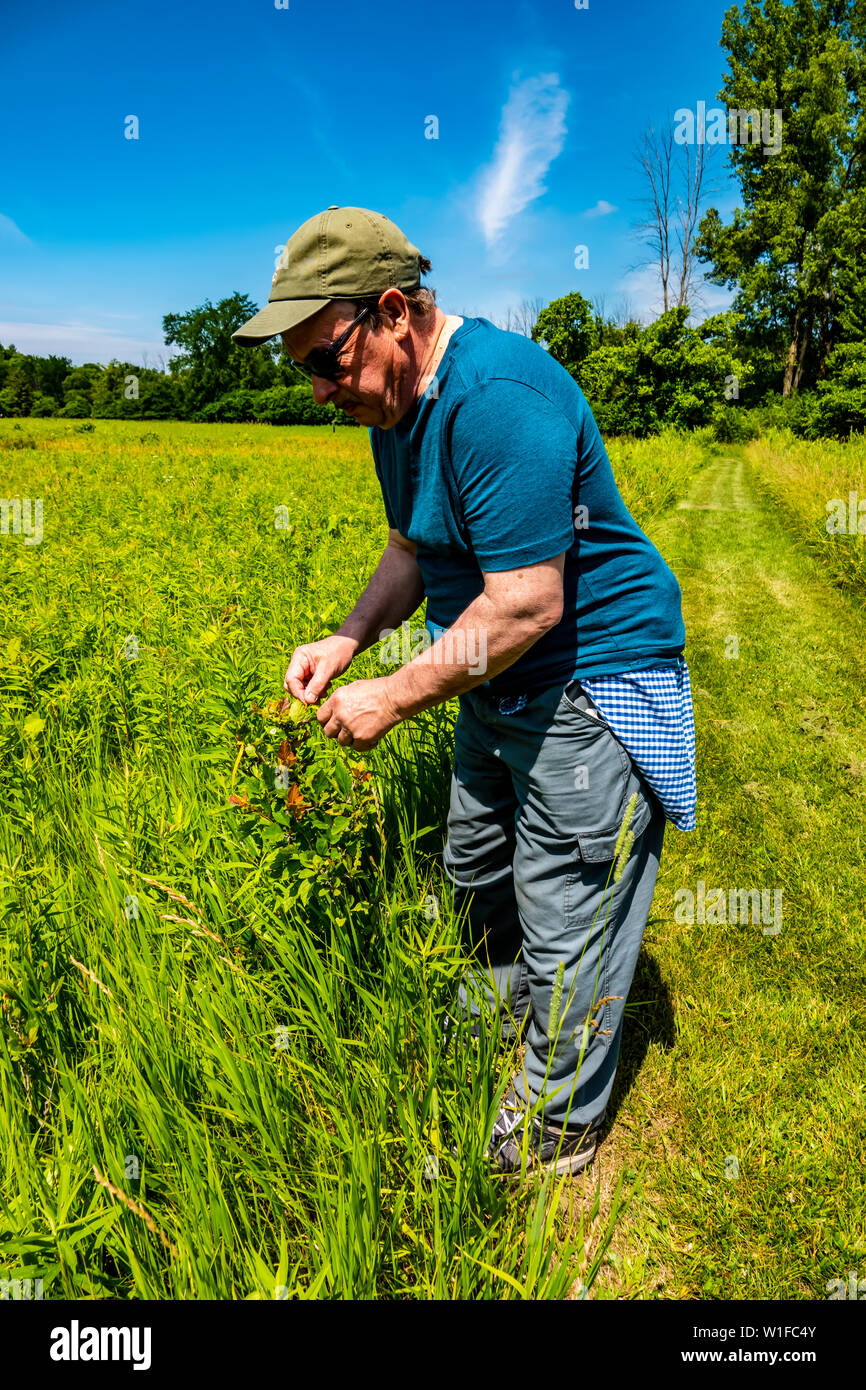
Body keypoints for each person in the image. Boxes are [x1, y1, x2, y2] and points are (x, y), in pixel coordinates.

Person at [233, 205, 697, 1176]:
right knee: (476, 862)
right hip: (490, 675)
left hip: (586, 671)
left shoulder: (496, 397)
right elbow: (413, 543)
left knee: (564, 899)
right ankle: (497, 1015)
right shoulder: (389, 406)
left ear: (392, 310)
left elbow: (527, 606)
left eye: (325, 360)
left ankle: (553, 1125)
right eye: (301, 371)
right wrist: (349, 637)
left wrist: (392, 696)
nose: (317, 389)